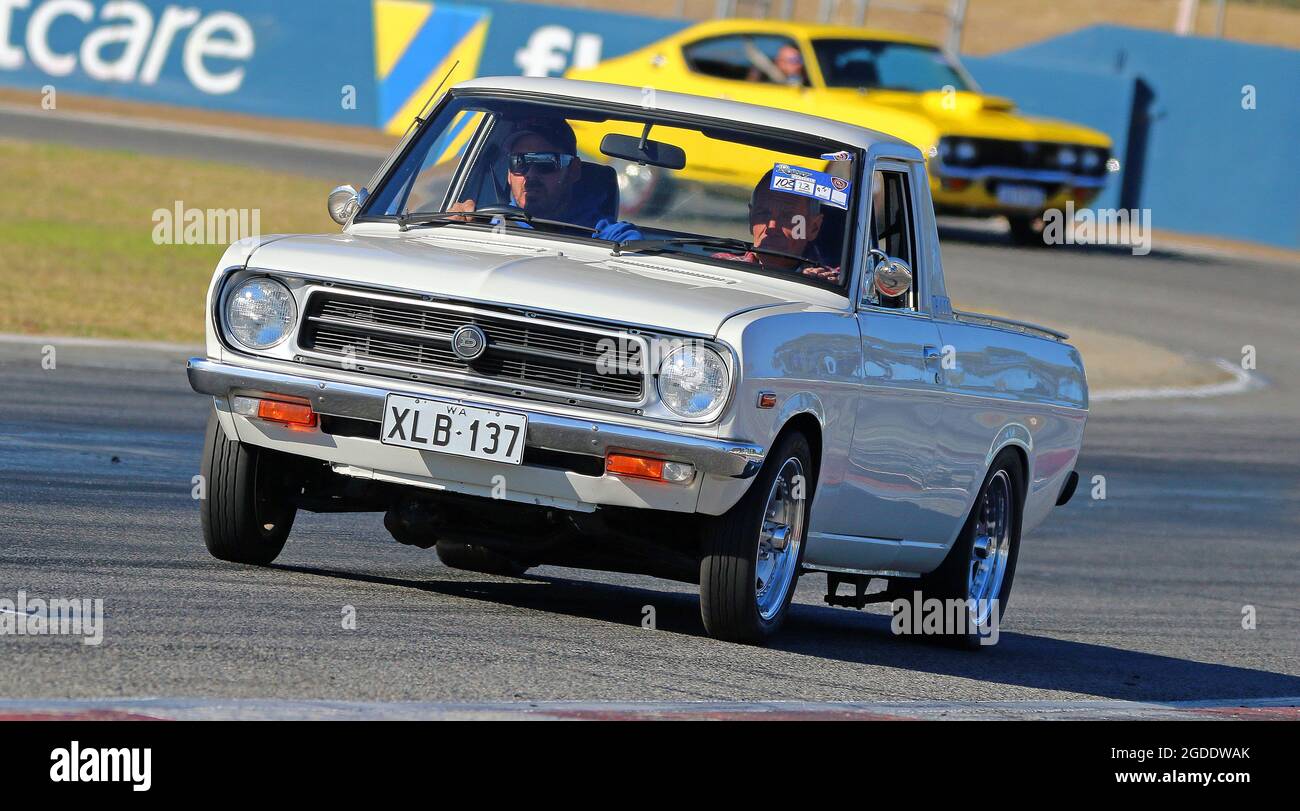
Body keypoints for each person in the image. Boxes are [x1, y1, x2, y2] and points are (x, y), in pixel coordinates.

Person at [449, 119, 640, 242]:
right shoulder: (479, 227)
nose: (530, 174)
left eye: (545, 162)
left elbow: (635, 254)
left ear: (573, 170)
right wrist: (453, 228)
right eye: (519, 162)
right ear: (508, 173)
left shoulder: (610, 238)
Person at [712, 170, 842, 284]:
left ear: (813, 227)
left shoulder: (835, 281)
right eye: (763, 214)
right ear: (752, 219)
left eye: (787, 217)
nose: (772, 227)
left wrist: (824, 285)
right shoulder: (720, 268)